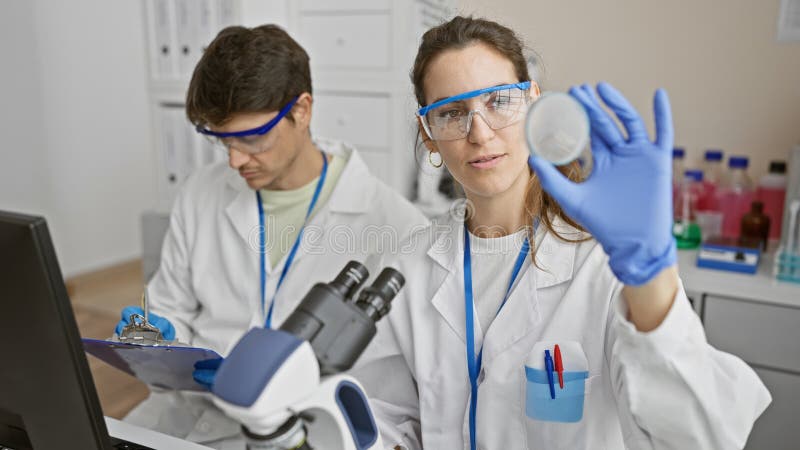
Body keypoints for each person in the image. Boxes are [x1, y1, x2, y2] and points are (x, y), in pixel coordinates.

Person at [351, 16, 771, 449]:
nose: (479, 133)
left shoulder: (607, 264)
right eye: (452, 113)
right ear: (430, 133)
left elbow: (702, 438)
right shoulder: (408, 267)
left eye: (498, 101)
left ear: (533, 102)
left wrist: (651, 273)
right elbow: (385, 420)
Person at [114, 25, 428, 447]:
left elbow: (391, 403)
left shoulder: (397, 227)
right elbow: (171, 307)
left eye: (251, 137)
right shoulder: (199, 192)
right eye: (219, 139)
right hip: (188, 419)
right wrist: (155, 335)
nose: (235, 159)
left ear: (302, 110)